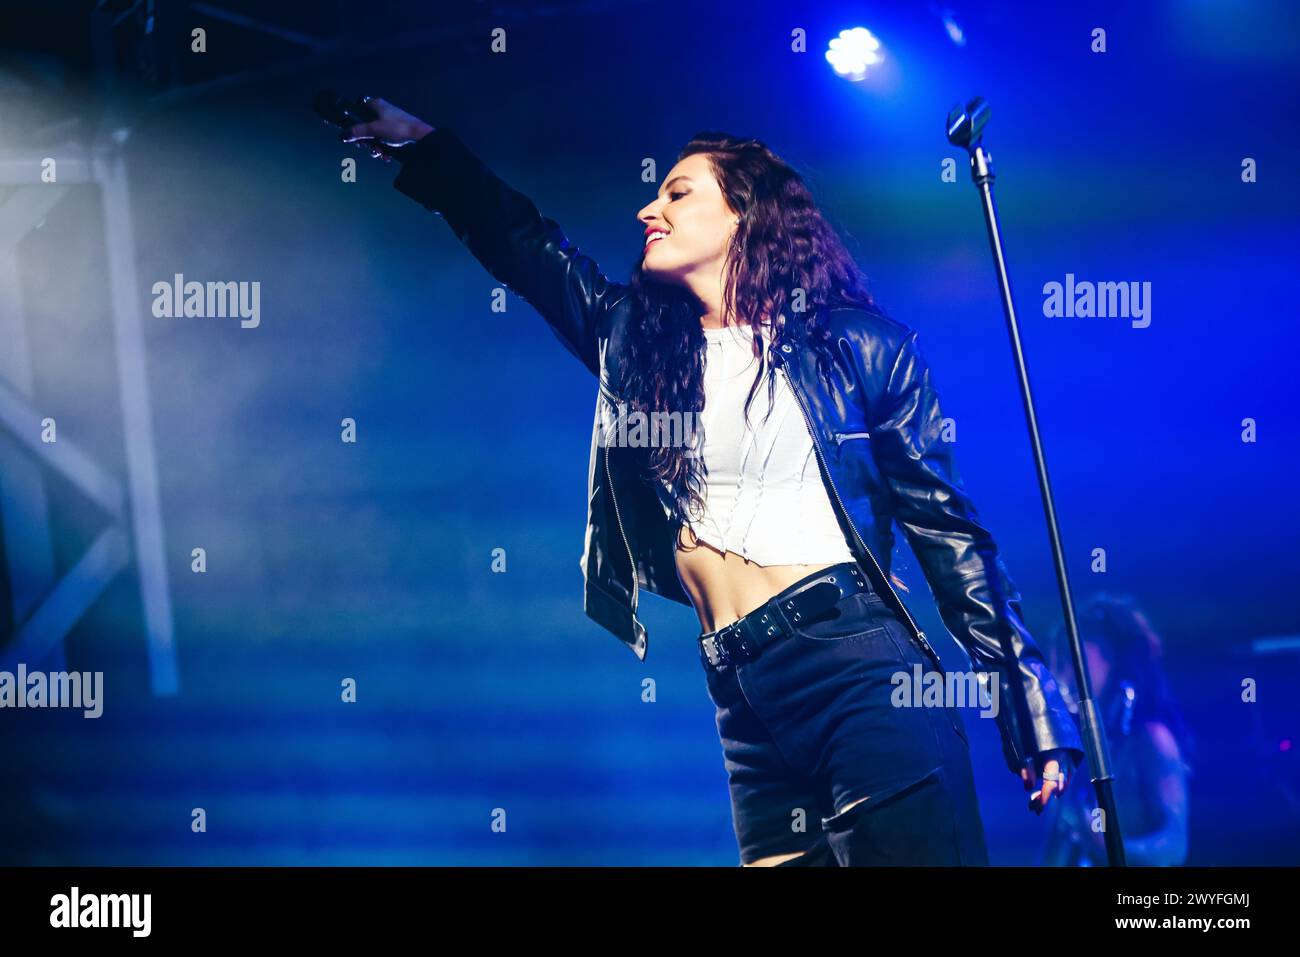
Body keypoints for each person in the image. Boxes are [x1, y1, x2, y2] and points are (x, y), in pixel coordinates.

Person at [339, 98, 1085, 865]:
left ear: (742, 215)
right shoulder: (634, 343)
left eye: (677, 192)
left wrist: (1028, 705)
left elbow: (951, 536)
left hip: (855, 667)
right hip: (742, 694)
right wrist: (430, 148)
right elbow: (524, 245)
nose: (648, 208)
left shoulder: (859, 348)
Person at [1040, 595, 1192, 866]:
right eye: (1057, 662)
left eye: (1071, 660)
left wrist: (1107, 846)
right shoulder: (1074, 752)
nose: (1061, 676)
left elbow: (1173, 846)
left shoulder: (1152, 739)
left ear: (1113, 659)